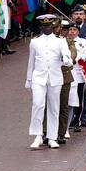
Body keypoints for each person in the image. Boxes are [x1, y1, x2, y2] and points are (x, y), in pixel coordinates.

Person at [26, 15, 67, 149]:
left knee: (54, 107)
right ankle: (38, 135)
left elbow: (66, 55)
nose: (46, 28)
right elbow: (31, 62)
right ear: (41, 27)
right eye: (44, 26)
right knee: (37, 104)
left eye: (49, 26)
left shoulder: (60, 41)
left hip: (55, 77)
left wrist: (67, 59)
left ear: (53, 26)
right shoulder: (35, 42)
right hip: (39, 77)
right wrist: (29, 79)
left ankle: (52, 137)